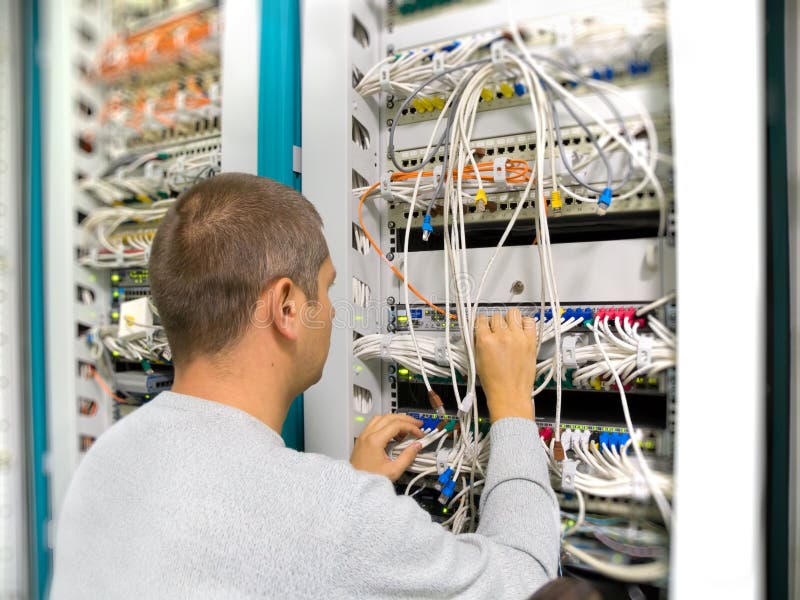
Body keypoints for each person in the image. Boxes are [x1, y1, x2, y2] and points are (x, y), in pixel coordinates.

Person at [51, 174, 560, 599]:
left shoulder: (107, 457)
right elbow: (530, 583)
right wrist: (513, 406)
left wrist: (354, 494)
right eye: (328, 286)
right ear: (288, 307)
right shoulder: (333, 517)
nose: (335, 310)